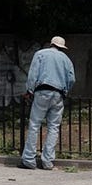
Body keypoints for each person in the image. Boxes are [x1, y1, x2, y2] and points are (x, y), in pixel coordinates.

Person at [21, 35, 76, 169]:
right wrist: (65, 91)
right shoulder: (66, 59)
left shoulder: (40, 54)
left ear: (51, 44)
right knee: (53, 127)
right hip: (58, 94)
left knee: (34, 125)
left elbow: (33, 74)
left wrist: (29, 90)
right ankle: (47, 161)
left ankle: (29, 160)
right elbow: (72, 79)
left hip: (42, 91)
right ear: (62, 47)